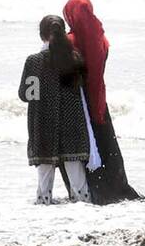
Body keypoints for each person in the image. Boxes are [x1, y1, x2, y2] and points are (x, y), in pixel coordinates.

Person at [62, 0, 145, 204]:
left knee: (80, 146)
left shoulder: (70, 42)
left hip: (77, 99)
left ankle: (86, 192)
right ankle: (114, 188)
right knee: (105, 144)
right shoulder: (101, 38)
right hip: (98, 96)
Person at [17, 16, 92, 204]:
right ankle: (86, 209)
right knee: (75, 170)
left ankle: (44, 207)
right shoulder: (75, 58)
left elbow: (26, 95)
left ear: (41, 34)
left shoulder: (34, 62)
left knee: (44, 171)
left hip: (43, 121)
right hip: (72, 122)